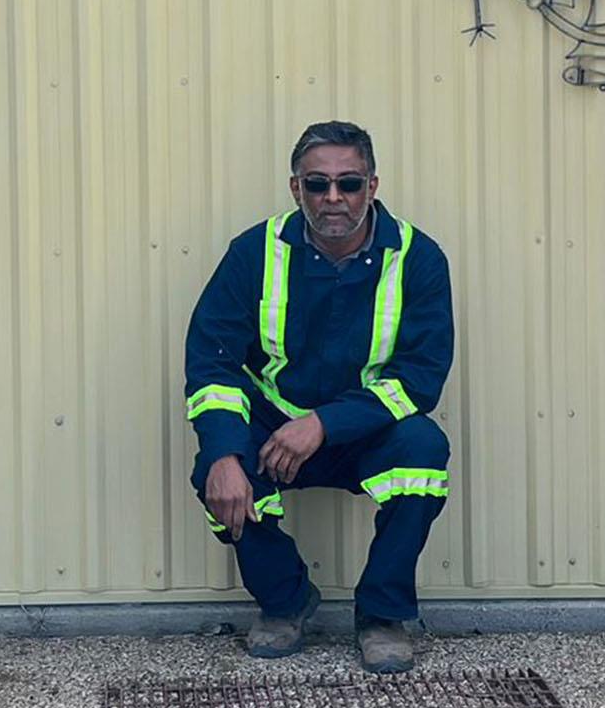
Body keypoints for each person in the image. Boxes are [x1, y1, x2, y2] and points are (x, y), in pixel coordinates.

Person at [182, 121, 456, 674]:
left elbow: (420, 377)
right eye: (318, 184)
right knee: (216, 471)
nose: (334, 198)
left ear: (373, 186)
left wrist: (325, 424)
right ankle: (285, 601)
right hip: (273, 427)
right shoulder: (253, 252)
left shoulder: (418, 258)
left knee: (424, 454)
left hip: (364, 433)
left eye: (349, 183)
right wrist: (224, 451)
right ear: (295, 188)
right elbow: (211, 361)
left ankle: (381, 614)